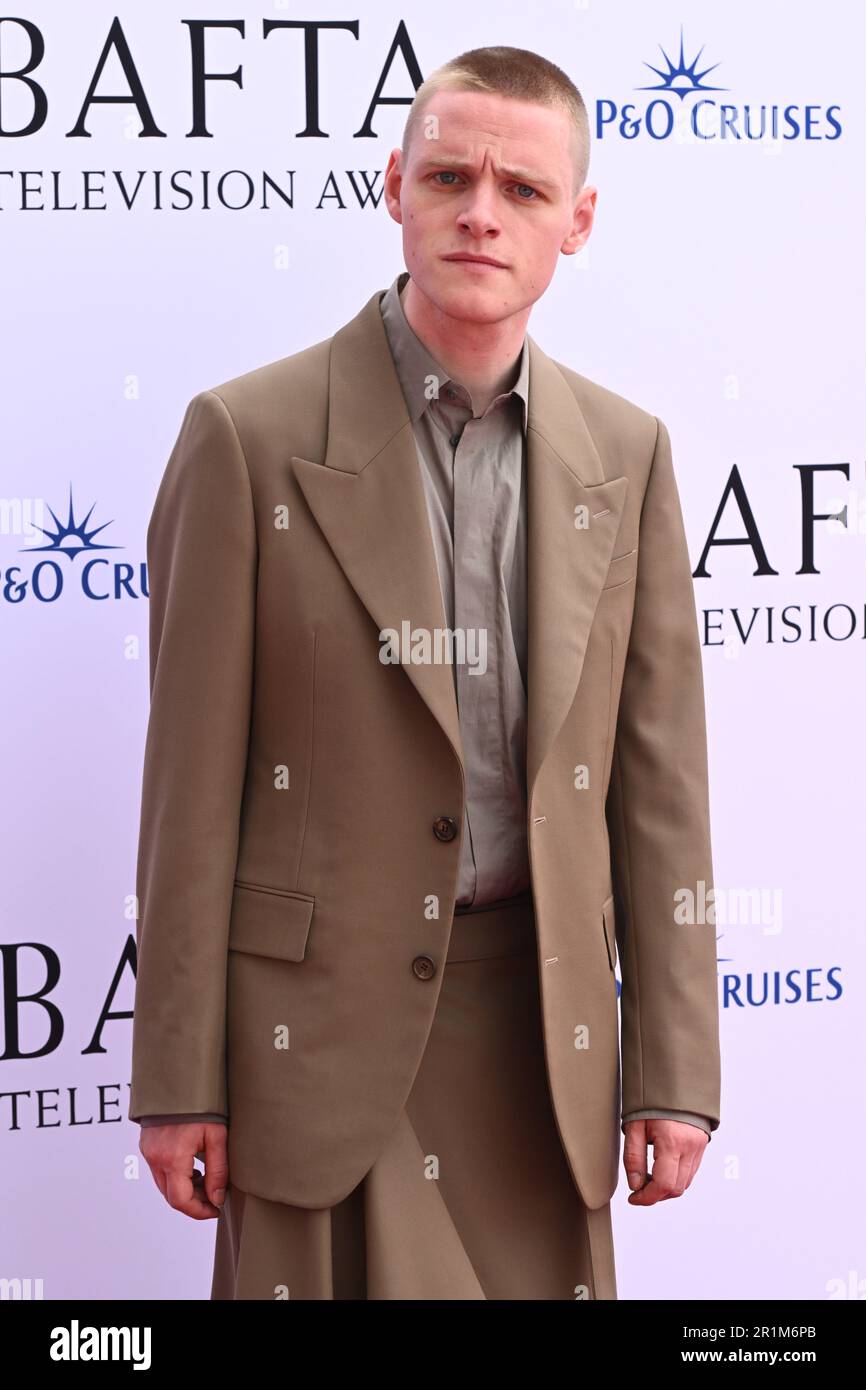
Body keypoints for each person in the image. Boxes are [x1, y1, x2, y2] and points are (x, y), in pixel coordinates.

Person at [129, 45, 721, 1301]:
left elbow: (659, 790)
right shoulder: (248, 437)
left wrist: (673, 1066)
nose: (480, 212)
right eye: (448, 175)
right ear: (390, 184)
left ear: (579, 221)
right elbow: (186, 795)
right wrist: (179, 1078)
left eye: (522, 188)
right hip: (318, 1049)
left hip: (535, 1047)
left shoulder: (630, 453)